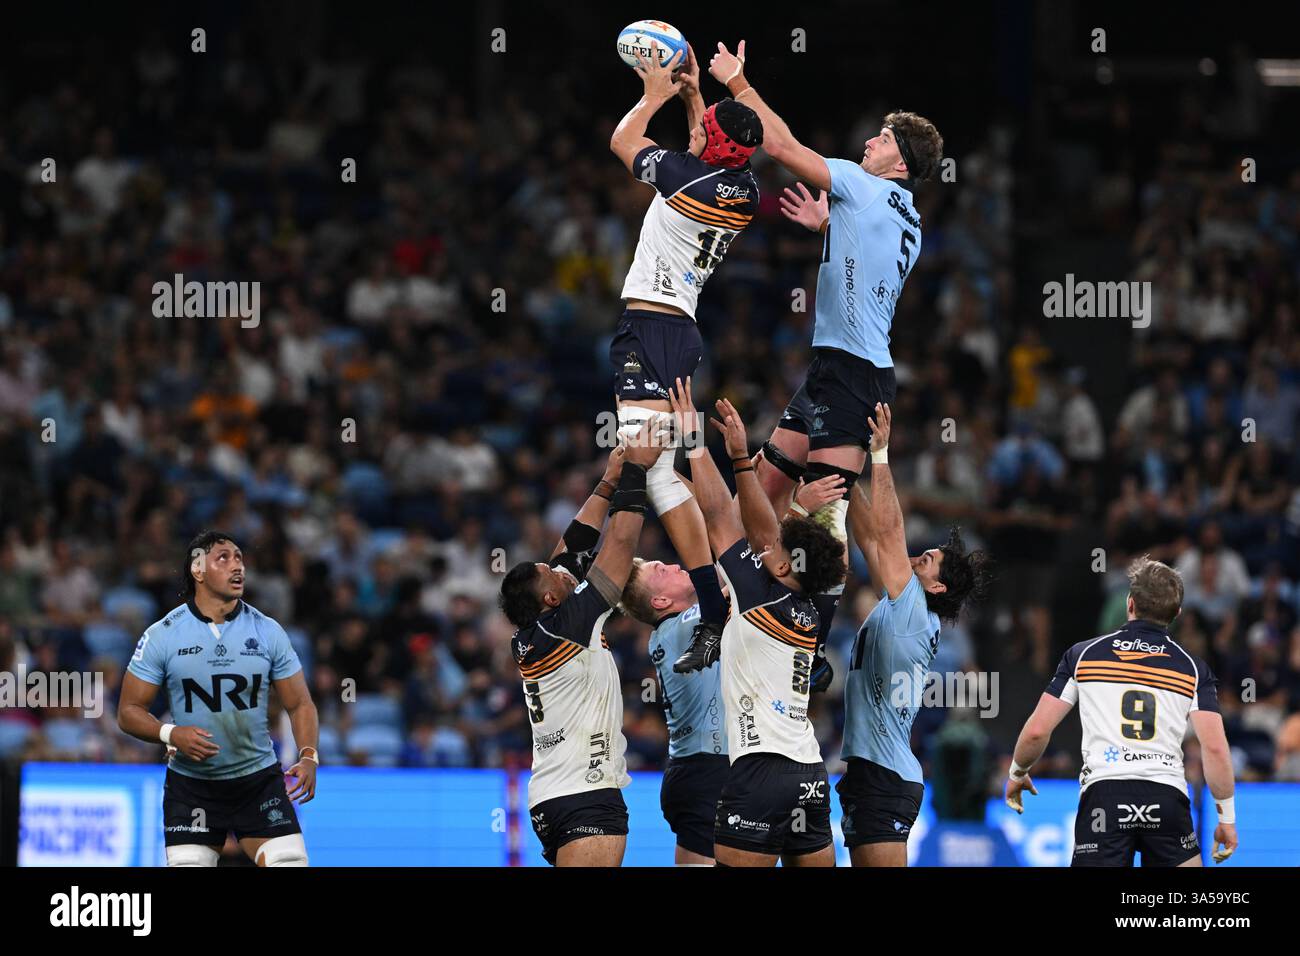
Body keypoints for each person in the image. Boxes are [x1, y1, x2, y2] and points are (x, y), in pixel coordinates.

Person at [688, 39, 944, 681]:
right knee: (772, 489)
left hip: (855, 378)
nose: (869, 141)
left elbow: (780, 148)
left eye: (882, 137)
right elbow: (873, 264)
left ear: (900, 159)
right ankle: (734, 607)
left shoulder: (864, 186)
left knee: (824, 513)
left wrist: (739, 85)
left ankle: (812, 649)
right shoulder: (904, 212)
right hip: (834, 369)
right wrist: (831, 229)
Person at [608, 41, 764, 670]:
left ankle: (710, 600)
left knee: (651, 469)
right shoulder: (743, 189)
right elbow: (707, 145)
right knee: (659, 471)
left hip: (651, 326)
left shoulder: (688, 175)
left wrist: (654, 96)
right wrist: (699, 93)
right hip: (679, 327)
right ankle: (713, 599)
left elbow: (624, 142)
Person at [668, 377, 845, 866]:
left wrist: (700, 443)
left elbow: (718, 512)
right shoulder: (814, 609)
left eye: (778, 549)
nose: (768, 546)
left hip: (759, 773)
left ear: (787, 566)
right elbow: (756, 527)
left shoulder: (755, 593)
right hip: (810, 771)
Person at [1005, 556, 1239, 867]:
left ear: (1130, 604)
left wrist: (1018, 772)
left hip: (1105, 797)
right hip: (1166, 797)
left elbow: (1038, 730)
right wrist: (1226, 817)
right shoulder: (1193, 668)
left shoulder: (1084, 655)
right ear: (1176, 614)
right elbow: (1214, 748)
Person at [497, 428, 661, 866]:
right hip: (587, 794)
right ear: (551, 599)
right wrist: (635, 473)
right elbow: (621, 544)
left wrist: (605, 483)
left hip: (551, 797)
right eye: (556, 577)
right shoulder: (570, 623)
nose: (565, 571)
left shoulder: (540, 630)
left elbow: (571, 548)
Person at [841, 403, 993, 866]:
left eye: (928, 560)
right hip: (871, 771)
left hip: (885, 775)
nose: (920, 555)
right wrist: (842, 475)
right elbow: (870, 538)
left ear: (938, 587)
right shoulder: (903, 604)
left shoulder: (912, 611)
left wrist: (880, 456)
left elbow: (887, 533)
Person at [117, 531, 319, 867]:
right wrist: (171, 733)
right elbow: (127, 711)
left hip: (258, 781)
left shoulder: (267, 631)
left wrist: (309, 755)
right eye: (223, 558)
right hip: (192, 785)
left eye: (239, 557)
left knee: (290, 863)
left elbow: (300, 703)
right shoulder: (162, 635)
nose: (237, 565)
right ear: (198, 569)